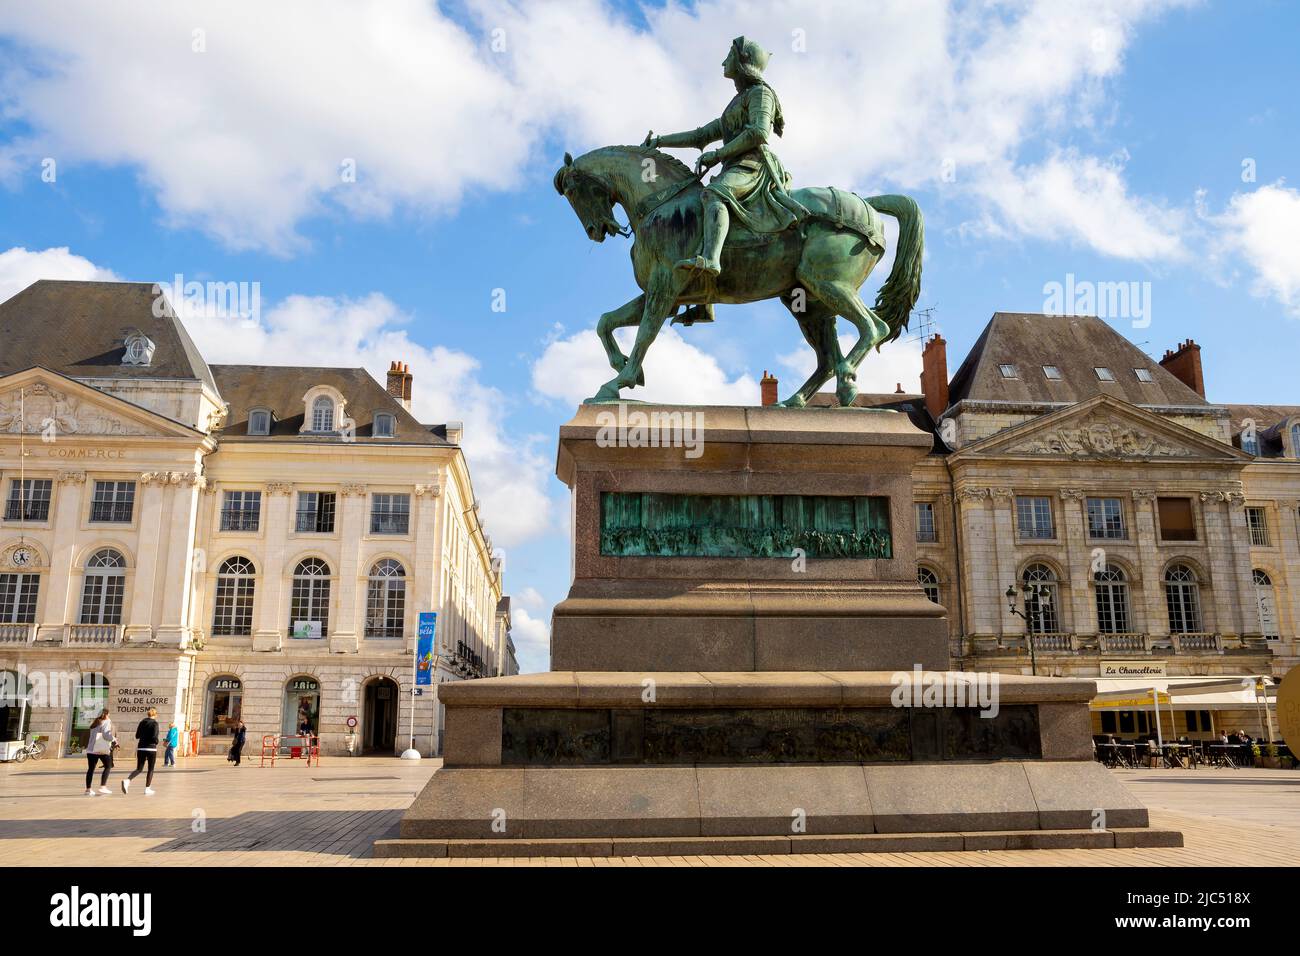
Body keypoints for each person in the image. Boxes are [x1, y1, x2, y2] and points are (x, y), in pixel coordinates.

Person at [643, 36, 808, 278]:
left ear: (744, 61)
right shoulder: (737, 102)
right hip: (735, 167)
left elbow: (759, 132)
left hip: (753, 168)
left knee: (713, 194)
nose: (723, 62)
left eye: (729, 56)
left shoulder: (761, 94)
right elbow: (700, 135)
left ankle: (711, 259)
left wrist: (718, 154)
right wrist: (659, 141)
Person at [122, 707, 160, 795]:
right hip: (151, 748)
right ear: (155, 715)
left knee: (139, 768)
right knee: (151, 769)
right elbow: (154, 737)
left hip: (141, 748)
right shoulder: (155, 723)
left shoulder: (142, 722)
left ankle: (127, 780)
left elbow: (137, 736)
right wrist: (157, 741)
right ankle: (147, 789)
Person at [84, 709, 115, 796]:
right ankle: (103, 787)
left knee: (90, 769)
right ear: (106, 714)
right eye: (109, 714)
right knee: (108, 766)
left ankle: (88, 790)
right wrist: (114, 739)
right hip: (101, 750)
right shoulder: (106, 721)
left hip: (91, 750)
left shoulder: (95, 723)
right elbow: (106, 735)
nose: (109, 716)